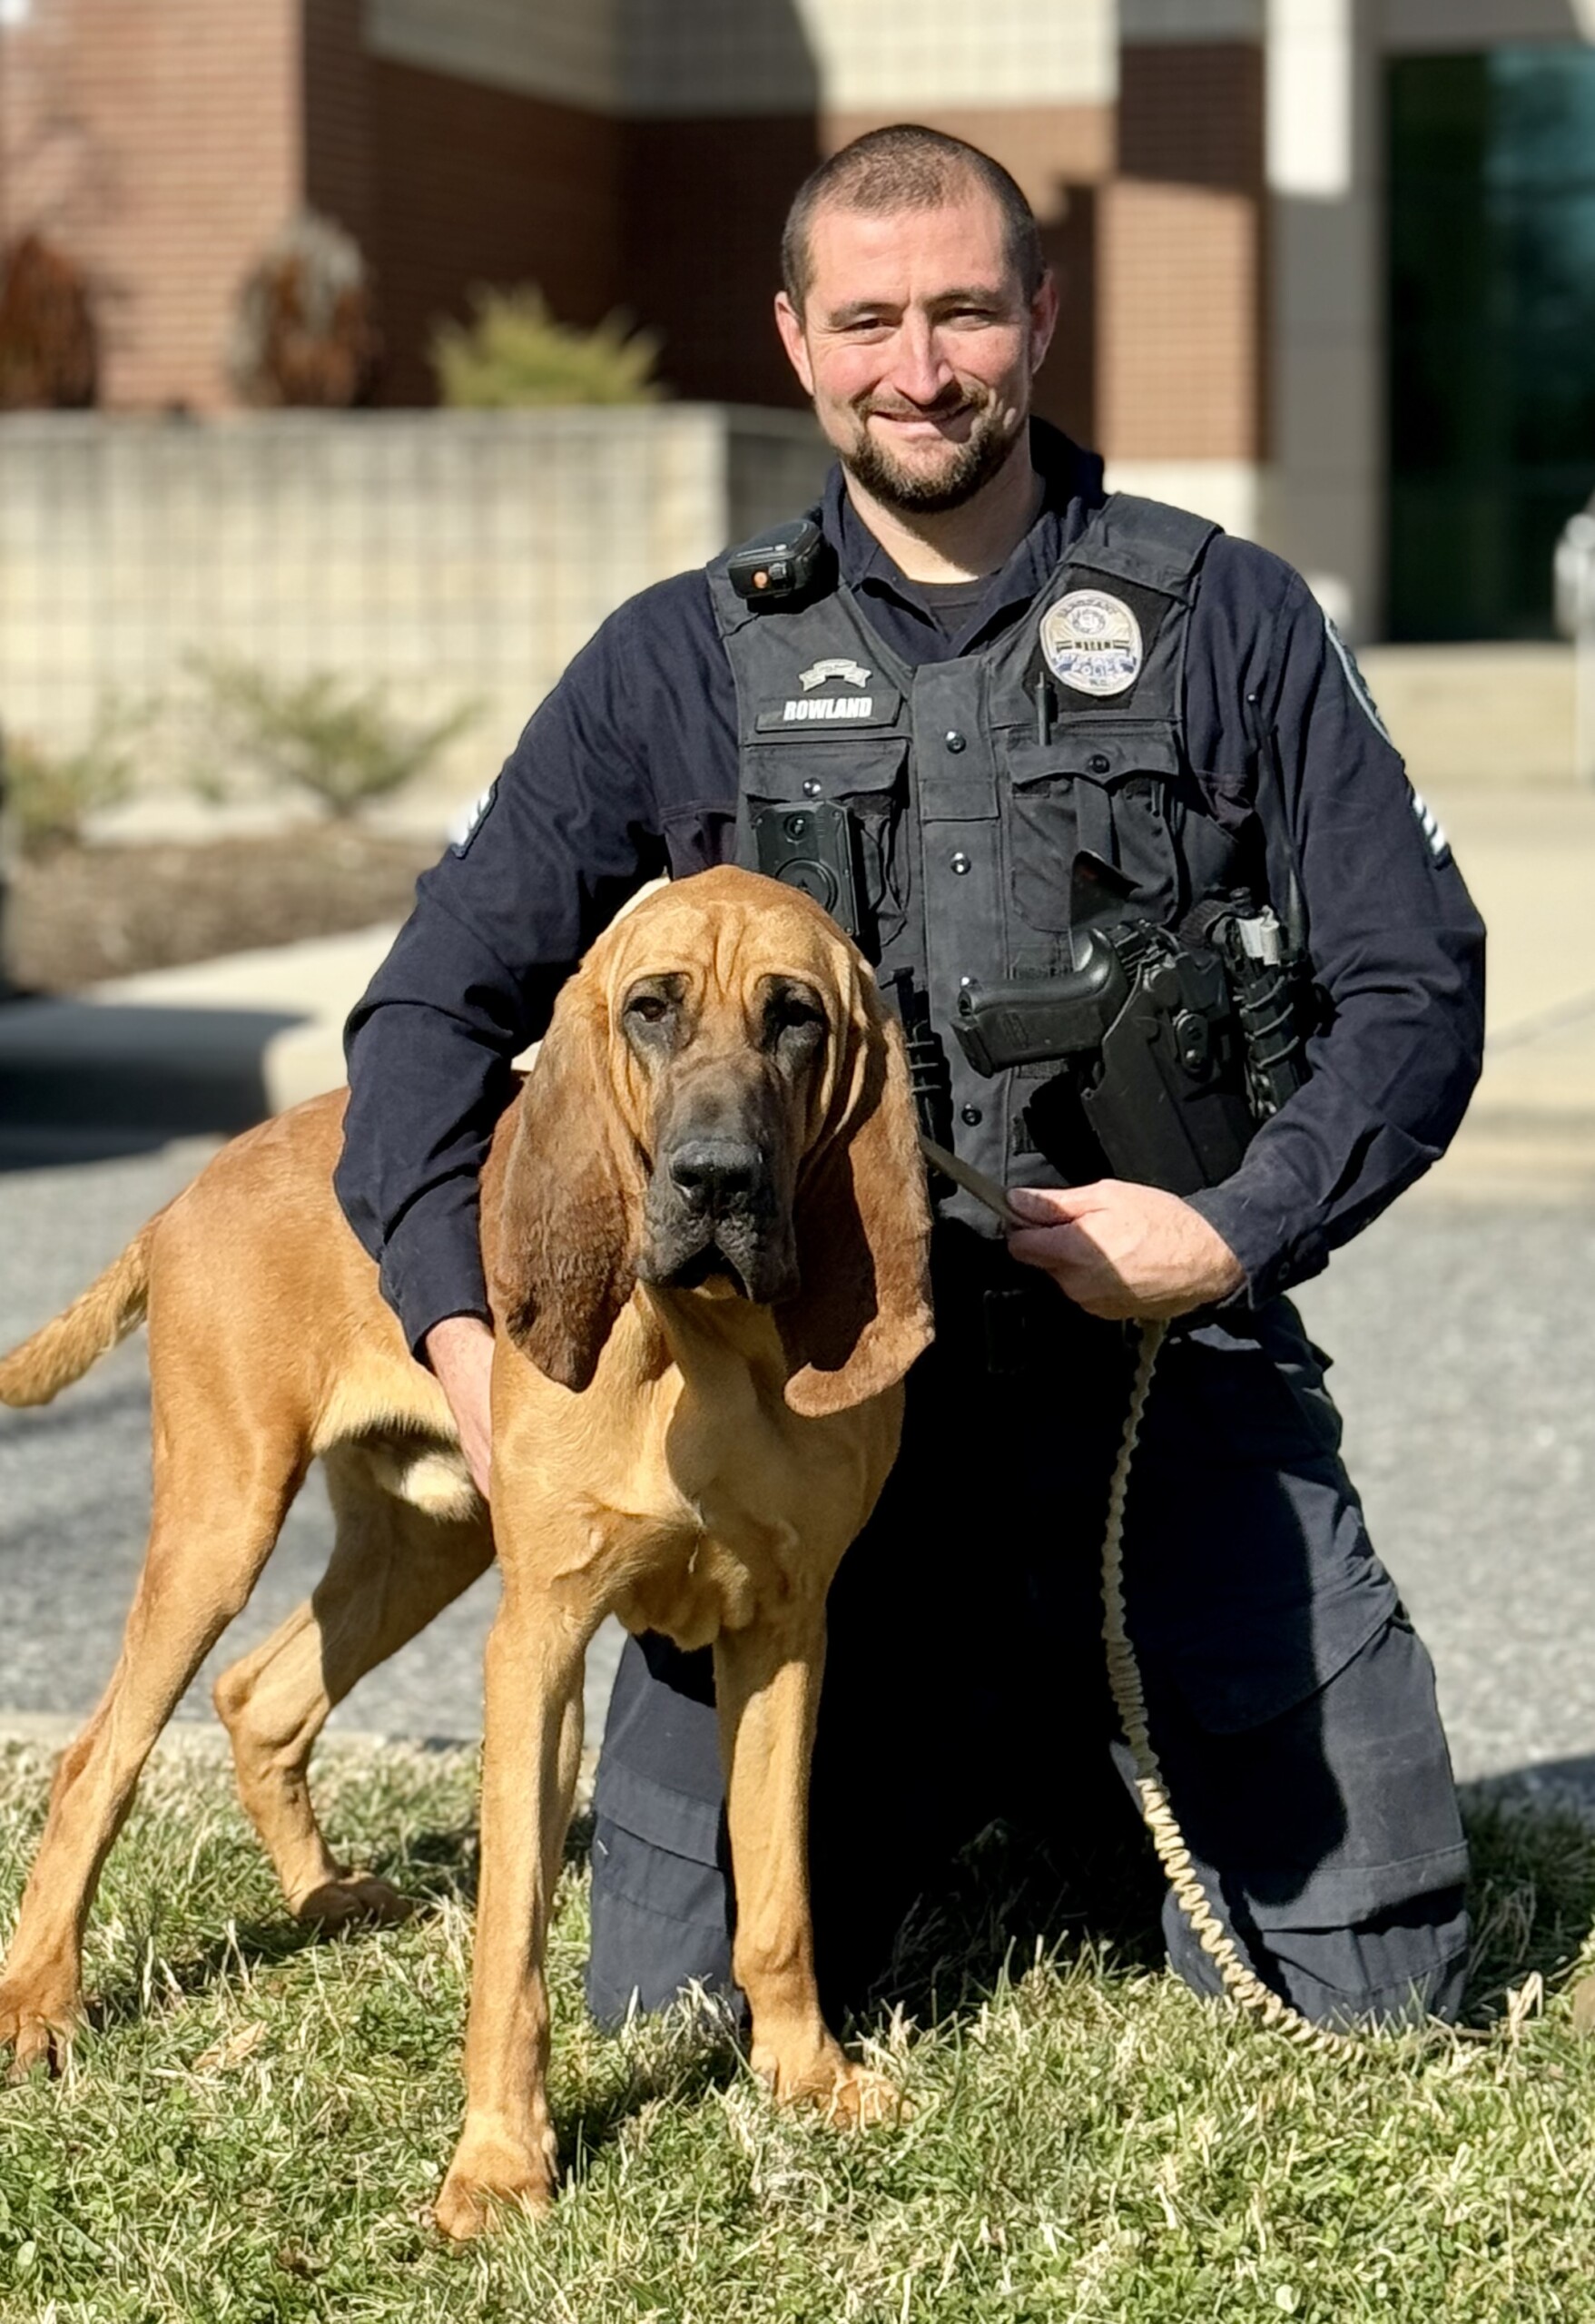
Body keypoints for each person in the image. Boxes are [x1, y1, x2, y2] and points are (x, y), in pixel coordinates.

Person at [335, 126, 1485, 2032]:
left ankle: (1074, 1776)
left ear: (1041, 314)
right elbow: (426, 1016)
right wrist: (470, 1336)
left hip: (1154, 1416)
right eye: (869, 318)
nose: (922, 364)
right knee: (671, 2010)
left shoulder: (1228, 619)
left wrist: (1229, 1227)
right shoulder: (677, 664)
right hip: (784, 1427)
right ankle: (1004, 1779)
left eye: (964, 308)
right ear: (798, 340)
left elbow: (1416, 981)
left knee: (1389, 1998)